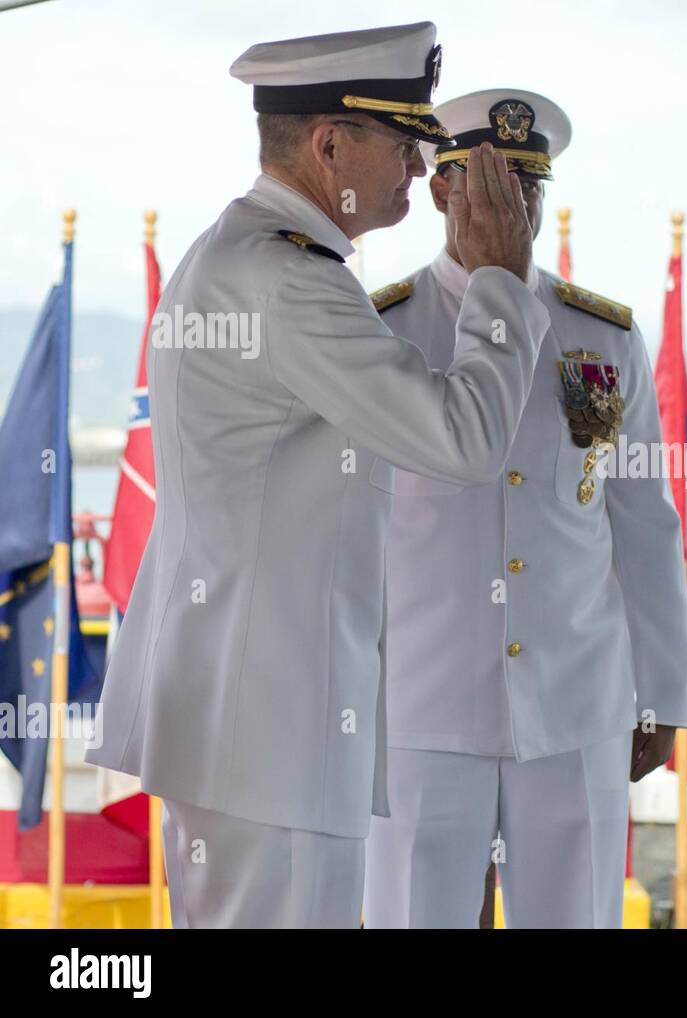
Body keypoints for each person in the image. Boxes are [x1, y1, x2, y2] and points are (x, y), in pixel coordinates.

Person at [85, 23, 551, 928]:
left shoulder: (236, 251)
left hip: (246, 722)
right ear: (330, 144)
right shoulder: (291, 280)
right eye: (404, 143)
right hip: (273, 735)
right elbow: (463, 440)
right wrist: (499, 281)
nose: (422, 168)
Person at [362, 89, 687, 929]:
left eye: (530, 189)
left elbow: (643, 524)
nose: (517, 209)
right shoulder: (384, 333)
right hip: (418, 707)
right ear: (441, 192)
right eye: (491, 188)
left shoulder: (604, 338)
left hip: (576, 707)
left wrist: (661, 692)